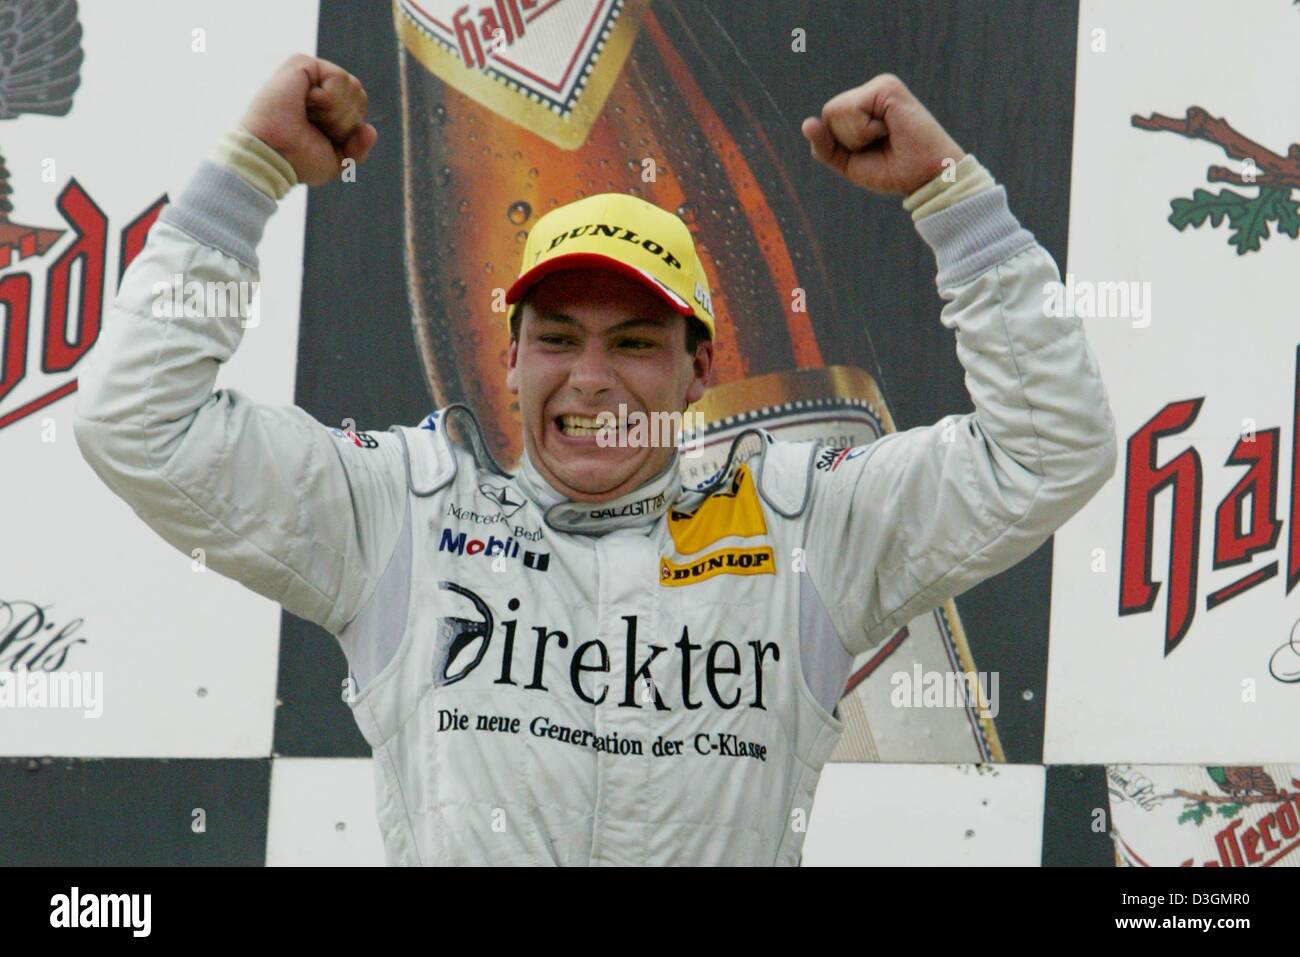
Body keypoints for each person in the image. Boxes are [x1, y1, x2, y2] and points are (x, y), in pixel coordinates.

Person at [73, 55, 1116, 866]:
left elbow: (1048, 451)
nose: (592, 380)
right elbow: (137, 426)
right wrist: (244, 179)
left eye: (633, 344)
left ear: (698, 368)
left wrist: (952, 198)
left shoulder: (804, 523)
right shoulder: (404, 514)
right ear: (511, 358)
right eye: (559, 339)